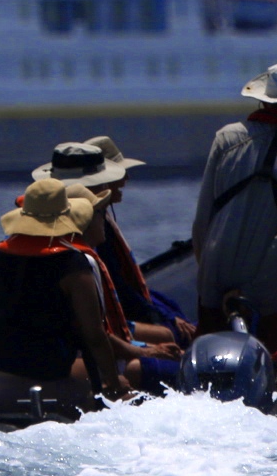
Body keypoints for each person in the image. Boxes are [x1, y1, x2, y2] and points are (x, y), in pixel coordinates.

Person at [190, 62, 277, 408]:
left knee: (211, 377)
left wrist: (211, 275)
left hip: (216, 279)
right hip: (270, 289)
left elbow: (202, 220)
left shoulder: (226, 138)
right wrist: (253, 293)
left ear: (263, 101)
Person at [0, 178, 128, 414]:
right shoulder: (73, 267)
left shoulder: (0, 260)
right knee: (117, 398)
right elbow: (94, 336)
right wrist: (114, 385)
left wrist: (2, 360)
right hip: (25, 389)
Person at [32, 143, 183, 391]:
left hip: (30, 364)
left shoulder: (17, 254)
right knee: (156, 357)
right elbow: (93, 334)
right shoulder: (77, 262)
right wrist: (116, 380)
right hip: (73, 361)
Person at [79, 134, 196, 345]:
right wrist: (164, 318)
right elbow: (118, 290)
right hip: (107, 324)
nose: (126, 180)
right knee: (175, 336)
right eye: (119, 174)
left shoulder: (101, 219)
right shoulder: (94, 228)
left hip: (115, 315)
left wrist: (167, 311)